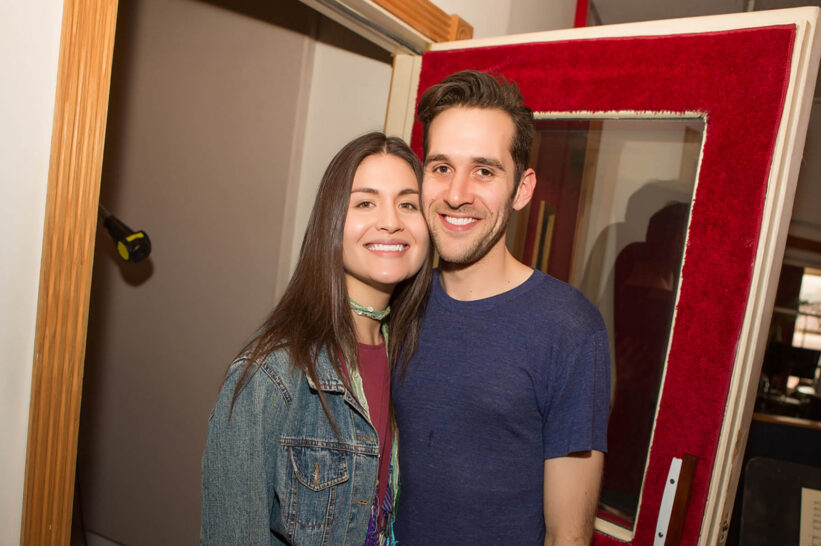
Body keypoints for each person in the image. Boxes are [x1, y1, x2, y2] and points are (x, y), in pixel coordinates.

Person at [392, 70, 611, 544]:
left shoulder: (570, 330)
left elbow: (567, 537)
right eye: (441, 167)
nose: (456, 194)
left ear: (523, 189)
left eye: (485, 171)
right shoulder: (400, 303)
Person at [201, 132, 432, 545]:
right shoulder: (270, 375)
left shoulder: (414, 357)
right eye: (365, 202)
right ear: (332, 222)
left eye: (408, 204)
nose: (391, 221)